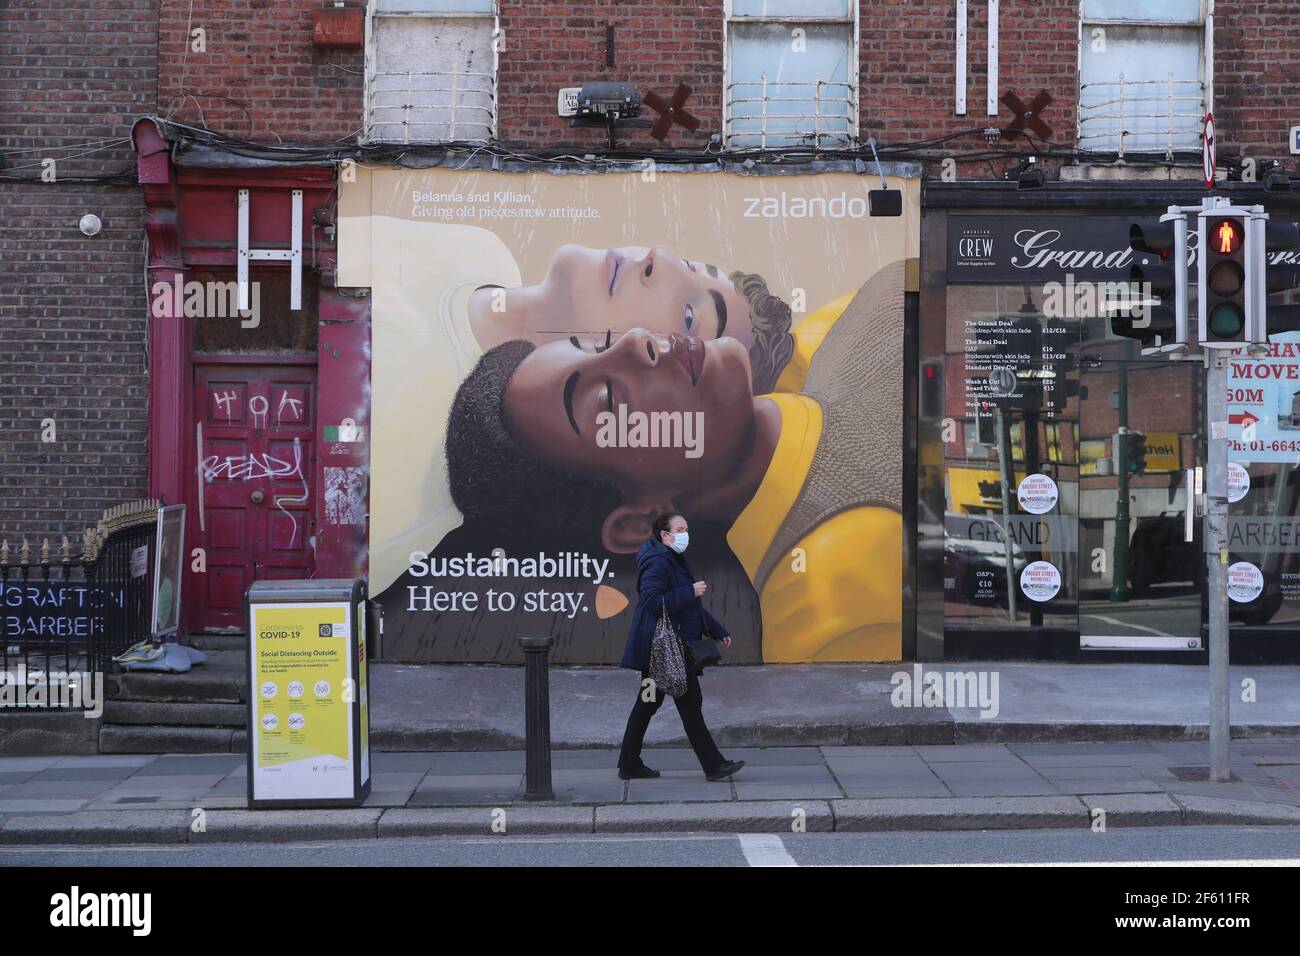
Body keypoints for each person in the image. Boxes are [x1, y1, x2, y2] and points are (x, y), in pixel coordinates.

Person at [462, 258, 906, 662]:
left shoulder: (851, 320)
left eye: (601, 345)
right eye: (609, 398)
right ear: (639, 522)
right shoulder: (834, 611)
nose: (637, 341)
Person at [363, 217, 794, 594]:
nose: (657, 255)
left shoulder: (408, 463)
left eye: (689, 318)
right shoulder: (479, 252)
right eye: (689, 267)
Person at [616, 512, 744, 782]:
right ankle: (713, 765)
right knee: (688, 704)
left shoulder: (671, 559)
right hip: (664, 651)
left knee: (648, 704)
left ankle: (629, 764)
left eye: (687, 528)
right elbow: (652, 601)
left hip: (663, 650)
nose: (686, 533)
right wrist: (690, 591)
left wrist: (717, 630)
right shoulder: (658, 564)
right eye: (681, 528)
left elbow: (689, 608)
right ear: (665, 535)